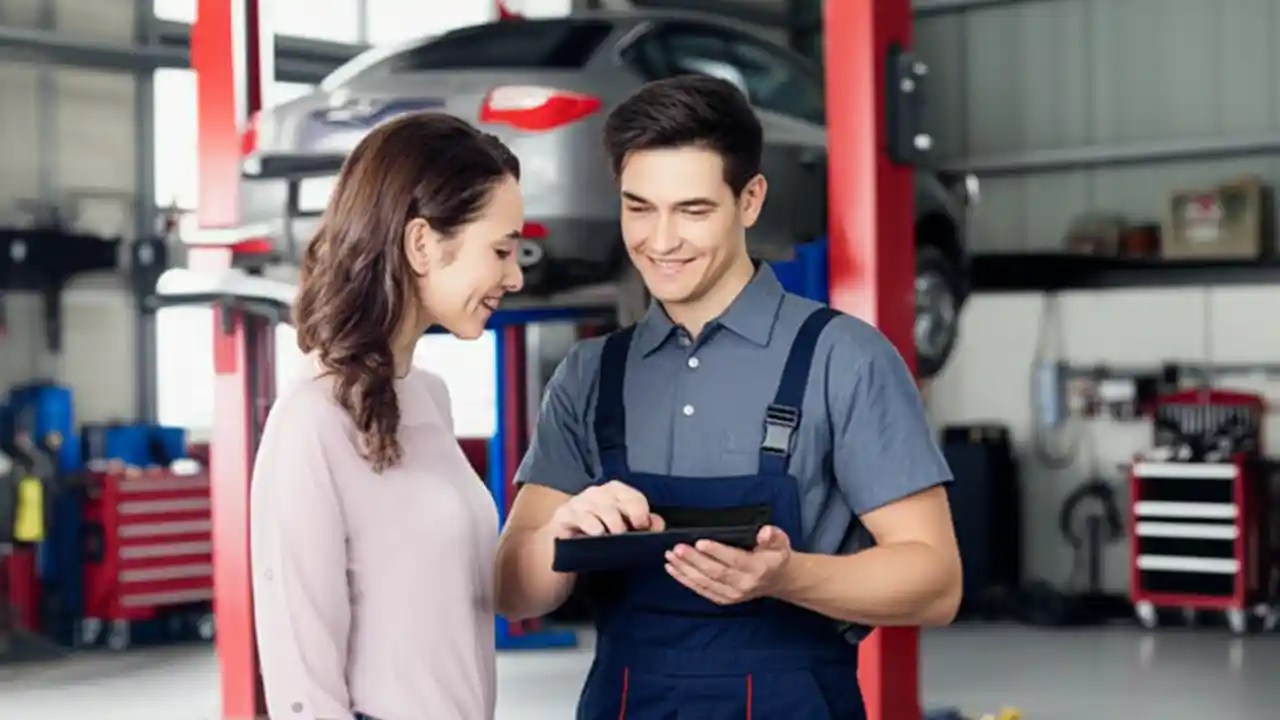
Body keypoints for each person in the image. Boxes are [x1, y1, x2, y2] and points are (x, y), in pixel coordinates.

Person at [495, 74, 963, 718]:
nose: (661, 241)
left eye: (693, 211)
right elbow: (514, 593)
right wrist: (560, 533)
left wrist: (788, 576)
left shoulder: (844, 359)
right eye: (639, 208)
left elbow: (936, 582)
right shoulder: (589, 375)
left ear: (750, 200)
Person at [249, 112, 525, 720]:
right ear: (422, 244)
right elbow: (303, 683)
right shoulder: (312, 421)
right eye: (501, 250)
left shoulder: (428, 397)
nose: (515, 275)